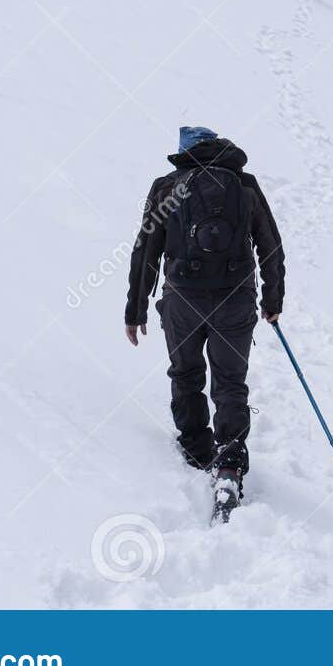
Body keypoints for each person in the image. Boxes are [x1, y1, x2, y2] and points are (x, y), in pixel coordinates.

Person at [124, 126, 285, 515]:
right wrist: (273, 298)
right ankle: (229, 464)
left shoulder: (168, 187)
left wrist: (136, 308)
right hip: (236, 299)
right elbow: (271, 244)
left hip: (183, 299)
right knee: (230, 382)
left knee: (186, 373)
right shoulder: (244, 186)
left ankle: (197, 450)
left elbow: (146, 248)